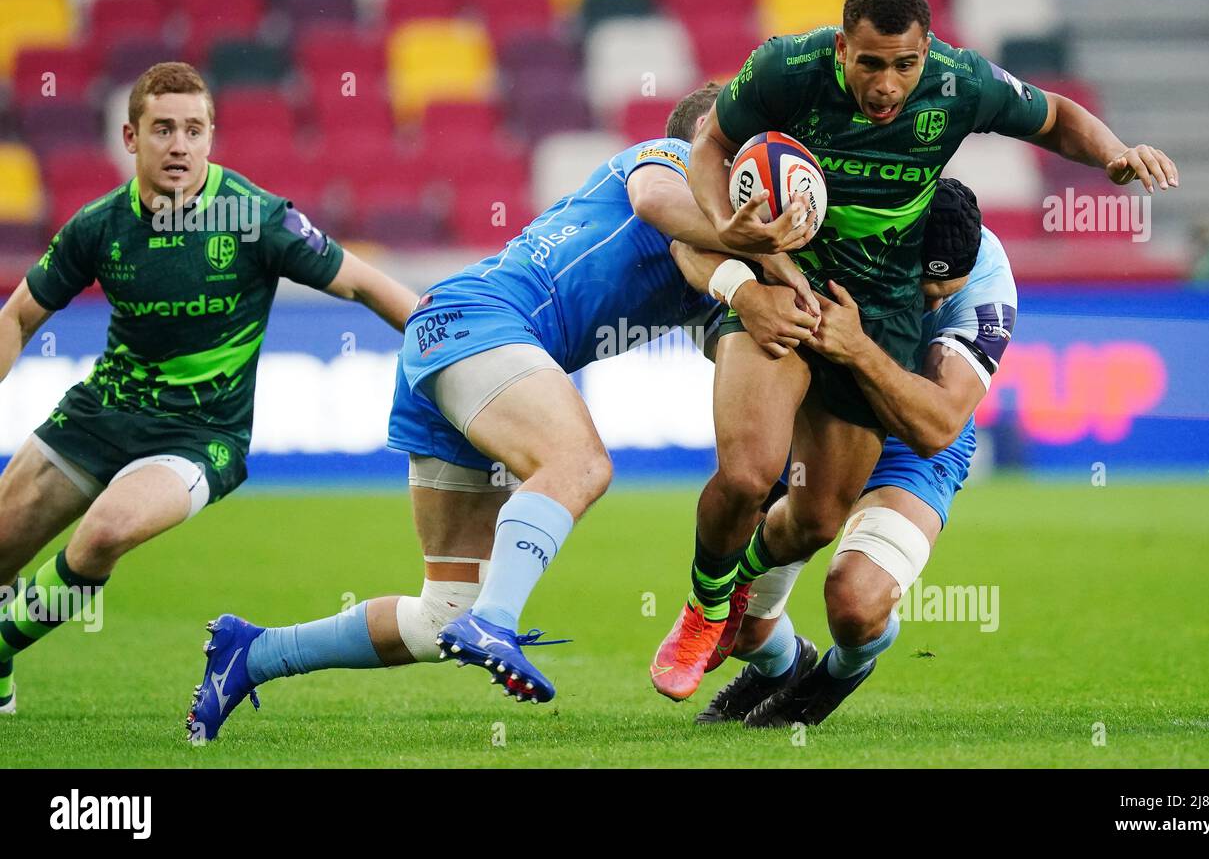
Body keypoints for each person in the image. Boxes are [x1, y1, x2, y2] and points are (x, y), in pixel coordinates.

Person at [186, 83, 818, 741]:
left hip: (465, 351)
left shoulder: (713, 267)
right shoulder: (663, 160)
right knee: (578, 464)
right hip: (481, 323)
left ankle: (250, 653)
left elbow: (731, 345)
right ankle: (496, 622)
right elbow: (654, 200)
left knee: (441, 614)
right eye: (734, 153)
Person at [651, 0, 1179, 701]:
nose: (887, 84)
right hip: (783, 283)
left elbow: (1053, 116)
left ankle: (770, 623)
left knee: (816, 518)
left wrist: (1113, 153)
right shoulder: (786, 69)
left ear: (925, 51)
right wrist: (728, 224)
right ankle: (704, 610)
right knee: (747, 474)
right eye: (870, 63)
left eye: (903, 64)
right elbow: (711, 142)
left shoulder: (959, 86)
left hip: (877, 316)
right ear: (842, 47)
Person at [0, 62, 417, 716]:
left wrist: (446, 342)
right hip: (102, 412)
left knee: (105, 532)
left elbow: (365, 283)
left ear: (211, 138)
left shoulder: (254, 217)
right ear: (130, 137)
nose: (179, 145)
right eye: (162, 129)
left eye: (194, 130)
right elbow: (20, 315)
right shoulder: (99, 226)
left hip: (202, 436)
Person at [698, 179, 1017, 727]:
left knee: (855, 605)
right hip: (820, 423)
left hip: (908, 435)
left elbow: (937, 425)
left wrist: (859, 347)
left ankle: (843, 670)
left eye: (944, 295)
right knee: (744, 629)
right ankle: (781, 665)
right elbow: (696, 241)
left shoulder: (987, 281)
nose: (930, 304)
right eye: (923, 289)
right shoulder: (835, 230)